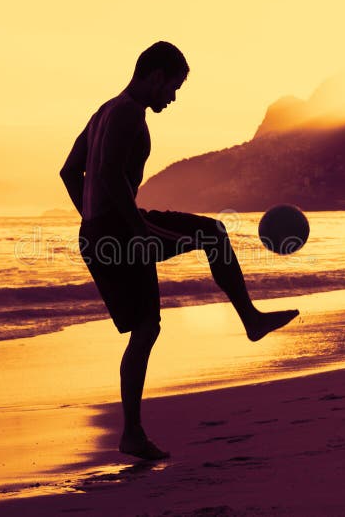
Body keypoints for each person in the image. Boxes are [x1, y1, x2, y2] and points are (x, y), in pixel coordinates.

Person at [60, 41, 299, 460]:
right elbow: (110, 174)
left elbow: (69, 171)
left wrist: (92, 220)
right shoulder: (128, 112)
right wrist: (136, 230)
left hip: (98, 234)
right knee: (213, 234)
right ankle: (251, 319)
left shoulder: (102, 112)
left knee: (148, 326)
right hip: (119, 231)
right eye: (173, 88)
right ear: (155, 76)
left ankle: (133, 432)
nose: (172, 98)